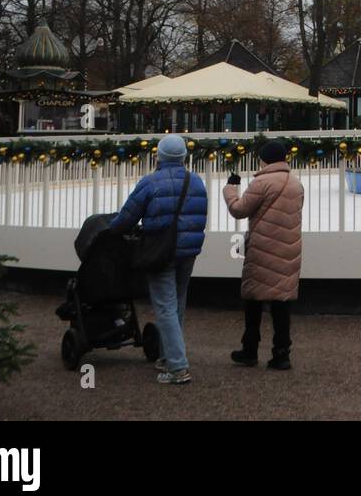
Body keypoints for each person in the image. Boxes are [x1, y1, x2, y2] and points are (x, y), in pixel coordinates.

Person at [109, 134, 208, 385]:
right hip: (188, 252)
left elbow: (127, 217)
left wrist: (112, 230)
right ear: (184, 156)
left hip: (160, 252)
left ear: (159, 156)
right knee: (177, 305)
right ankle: (167, 357)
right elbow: (199, 216)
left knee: (165, 307)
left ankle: (177, 367)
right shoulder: (195, 181)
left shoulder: (151, 182)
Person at [223, 140, 303, 370]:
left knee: (253, 301)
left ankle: (249, 350)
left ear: (265, 159)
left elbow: (239, 210)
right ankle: (281, 353)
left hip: (262, 247)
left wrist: (230, 189)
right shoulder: (296, 184)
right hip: (289, 248)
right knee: (282, 303)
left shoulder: (261, 182)